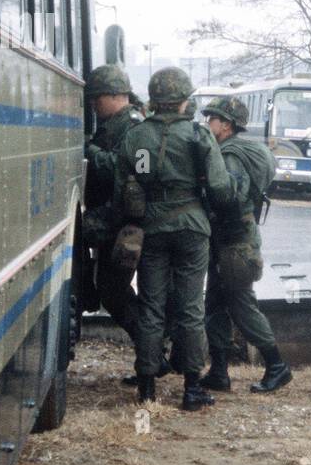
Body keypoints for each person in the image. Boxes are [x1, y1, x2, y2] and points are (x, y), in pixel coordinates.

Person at [113, 68, 238, 410]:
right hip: (191, 227)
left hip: (150, 227)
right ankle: (192, 388)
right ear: (184, 101)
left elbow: (122, 183)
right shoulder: (198, 135)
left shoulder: (136, 135)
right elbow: (220, 187)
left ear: (153, 100)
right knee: (190, 308)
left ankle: (147, 388)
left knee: (152, 306)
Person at [199, 96, 290, 393]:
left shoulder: (230, 155)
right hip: (227, 240)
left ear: (225, 125)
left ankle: (277, 365)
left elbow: (231, 196)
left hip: (234, 240)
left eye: (211, 118)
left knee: (241, 305)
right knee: (214, 305)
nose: (207, 123)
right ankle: (220, 372)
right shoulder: (234, 150)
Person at [81, 65, 149, 377]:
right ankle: (152, 354)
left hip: (123, 223)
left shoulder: (131, 125)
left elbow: (121, 168)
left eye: (97, 98)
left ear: (113, 95)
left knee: (113, 289)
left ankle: (153, 353)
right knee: (112, 289)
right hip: (114, 219)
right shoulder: (117, 123)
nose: (93, 105)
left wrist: (90, 151)